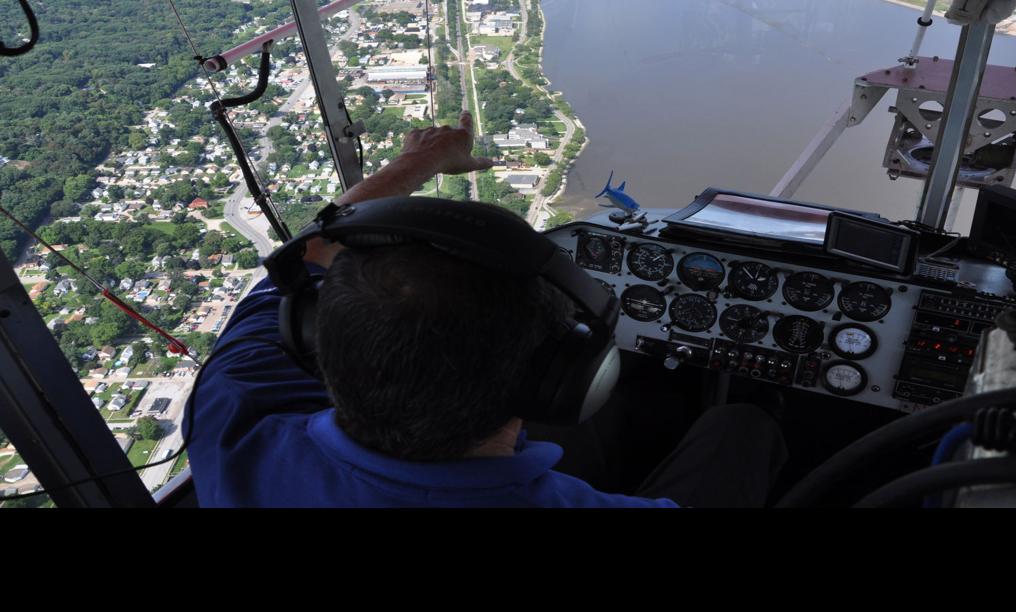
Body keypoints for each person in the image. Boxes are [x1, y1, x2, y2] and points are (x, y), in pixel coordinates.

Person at [186, 114, 787, 507]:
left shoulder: (234, 420)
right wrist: (423, 159)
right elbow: (321, 245)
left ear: (313, 339)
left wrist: (415, 163)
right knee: (740, 428)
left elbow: (314, 248)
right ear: (560, 381)